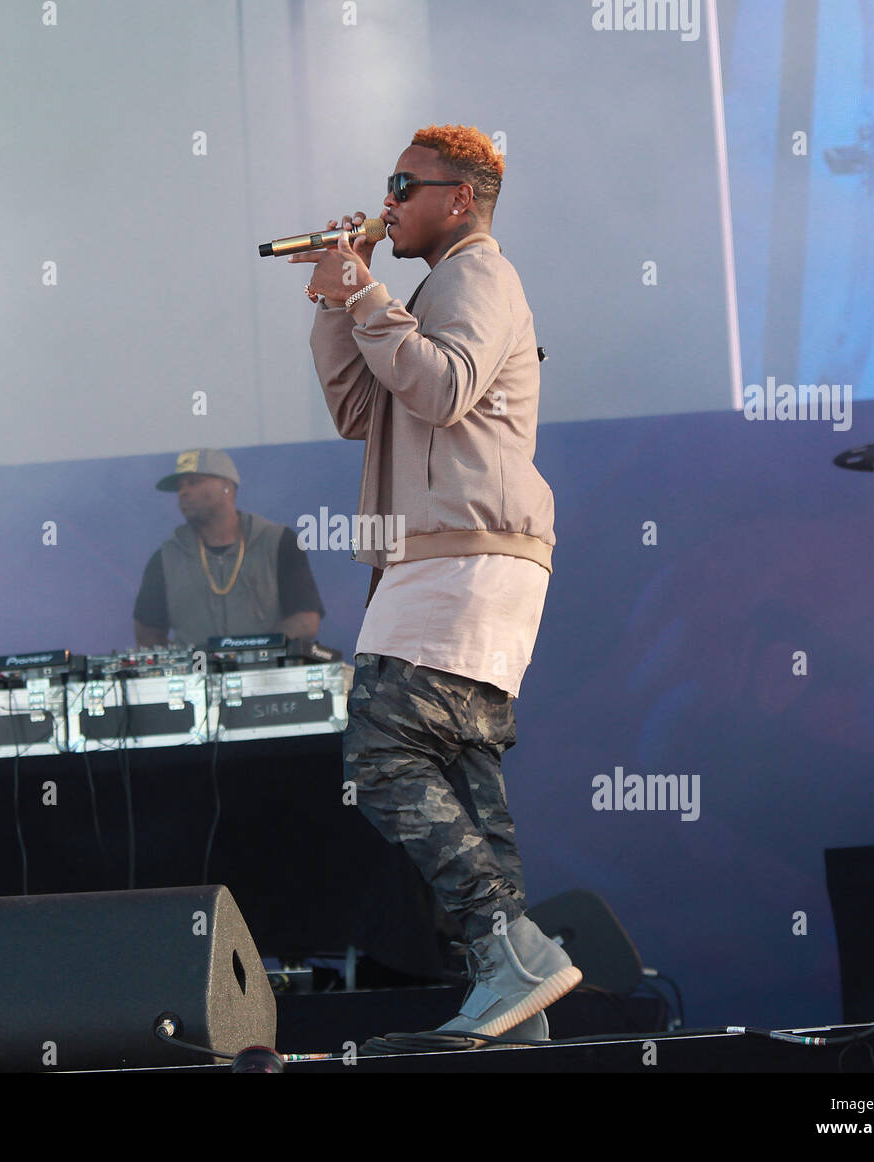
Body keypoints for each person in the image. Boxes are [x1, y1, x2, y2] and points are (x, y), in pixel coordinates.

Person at [291, 124, 580, 1041]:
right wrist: (341, 301)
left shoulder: (479, 275)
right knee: (463, 774)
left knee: (381, 750)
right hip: (444, 557)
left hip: (465, 553)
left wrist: (370, 292)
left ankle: (506, 950)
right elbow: (357, 409)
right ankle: (516, 1004)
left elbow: (446, 386)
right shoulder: (432, 287)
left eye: (402, 185)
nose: (388, 201)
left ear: (459, 197)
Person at [134, 448, 325, 648]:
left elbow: (306, 622)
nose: (183, 493)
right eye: (180, 487)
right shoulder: (166, 557)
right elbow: (147, 635)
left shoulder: (278, 542)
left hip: (266, 675)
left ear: (227, 486)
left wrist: (252, 655)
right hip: (198, 676)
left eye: (193, 482)